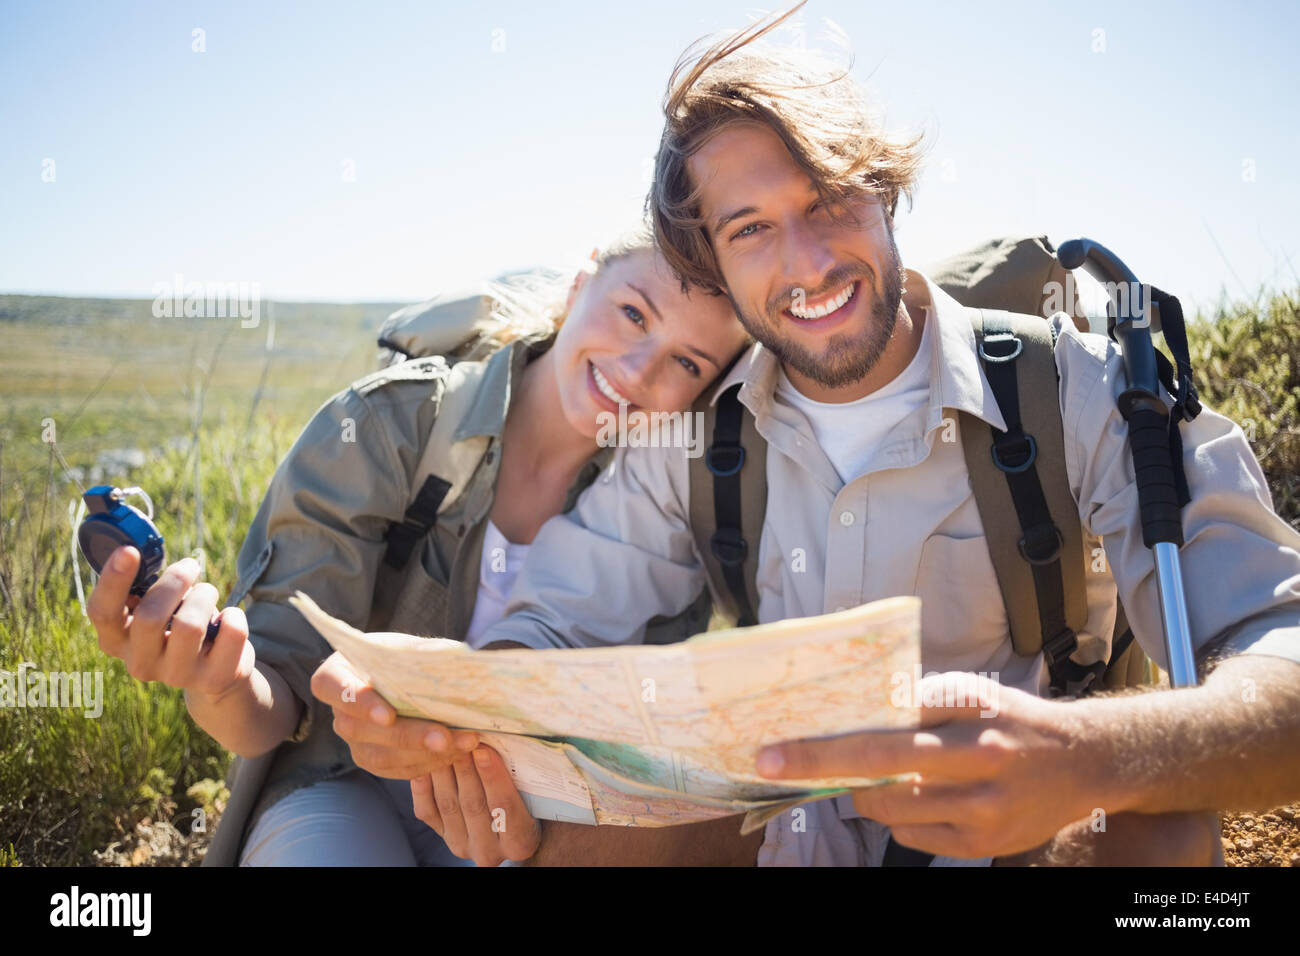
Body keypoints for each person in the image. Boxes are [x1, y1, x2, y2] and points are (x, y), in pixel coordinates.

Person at [404, 8, 1300, 867]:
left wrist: (1083, 755)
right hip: (781, 838)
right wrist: (464, 727)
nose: (808, 261)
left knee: (1159, 843)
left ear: (887, 189)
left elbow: (1280, 651)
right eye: (749, 229)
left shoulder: (1081, 390)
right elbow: (548, 623)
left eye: (830, 198)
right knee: (575, 847)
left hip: (1026, 842)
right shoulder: (695, 442)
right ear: (709, 263)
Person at [86, 222, 750, 866]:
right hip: (339, 786)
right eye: (634, 313)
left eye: (687, 361)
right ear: (580, 287)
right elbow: (266, 711)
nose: (638, 370)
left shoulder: (671, 512)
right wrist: (220, 681)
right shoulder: (384, 426)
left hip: (527, 818)